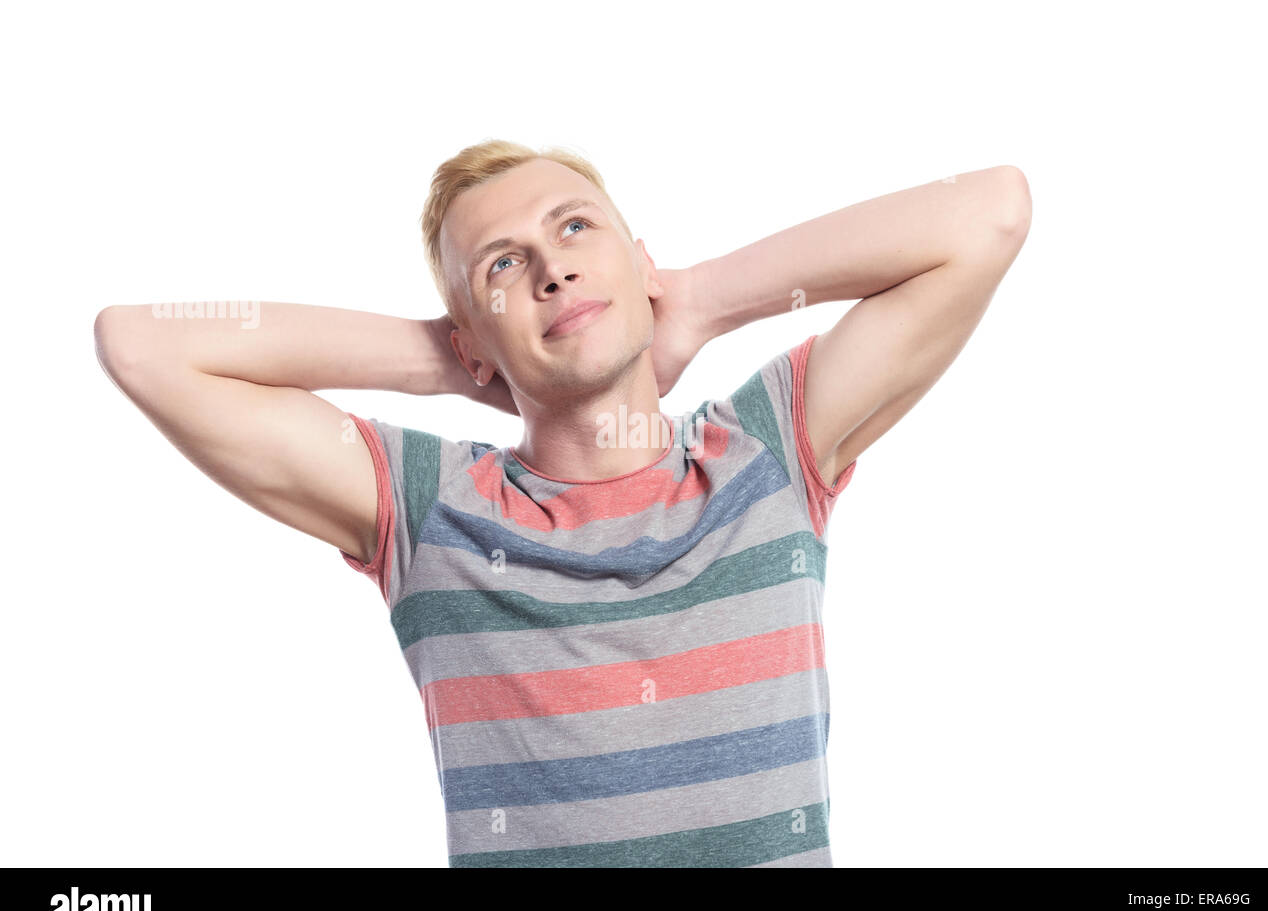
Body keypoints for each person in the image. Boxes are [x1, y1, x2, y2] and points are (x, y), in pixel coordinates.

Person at [93, 140, 1031, 867]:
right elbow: (140, 345)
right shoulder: (432, 512)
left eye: (576, 228)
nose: (552, 269)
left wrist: (694, 298)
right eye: (504, 265)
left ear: (637, 259)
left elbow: (992, 211)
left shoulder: (768, 449)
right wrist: (454, 361)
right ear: (471, 340)